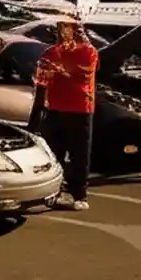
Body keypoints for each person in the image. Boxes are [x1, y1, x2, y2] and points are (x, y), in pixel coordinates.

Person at [34, 19, 98, 211]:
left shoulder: (88, 52)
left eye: (66, 28)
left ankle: (79, 193)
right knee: (55, 153)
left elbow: (83, 72)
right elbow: (40, 78)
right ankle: (55, 190)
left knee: (79, 154)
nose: (63, 33)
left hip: (80, 108)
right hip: (57, 108)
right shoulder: (52, 52)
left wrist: (58, 71)